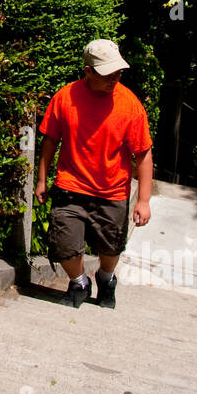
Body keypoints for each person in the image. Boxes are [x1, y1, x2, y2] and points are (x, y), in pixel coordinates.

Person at [35, 40, 153, 310]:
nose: (114, 79)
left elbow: (143, 155)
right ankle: (79, 282)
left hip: (112, 191)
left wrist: (143, 200)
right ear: (87, 71)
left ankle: (106, 278)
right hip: (70, 184)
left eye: (118, 73)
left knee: (110, 248)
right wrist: (42, 179)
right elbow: (50, 139)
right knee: (62, 244)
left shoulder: (130, 106)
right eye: (107, 74)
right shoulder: (65, 97)